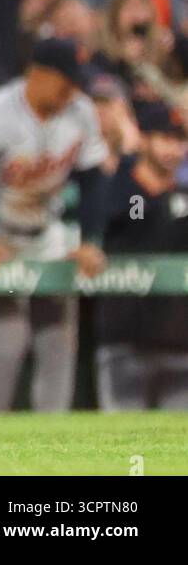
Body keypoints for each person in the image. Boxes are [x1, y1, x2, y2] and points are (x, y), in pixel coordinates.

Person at [0, 39, 110, 412]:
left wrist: (91, 239)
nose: (72, 91)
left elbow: (93, 179)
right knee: (8, 337)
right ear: (37, 75)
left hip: (45, 234)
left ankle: (52, 443)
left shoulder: (80, 111)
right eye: (65, 81)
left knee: (59, 339)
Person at [96, 100, 188, 410]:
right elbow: (103, 216)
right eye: (165, 139)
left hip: (180, 348)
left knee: (177, 454)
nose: (174, 150)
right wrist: (125, 158)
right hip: (124, 344)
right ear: (144, 139)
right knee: (121, 449)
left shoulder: (184, 197)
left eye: (180, 140)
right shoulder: (118, 188)